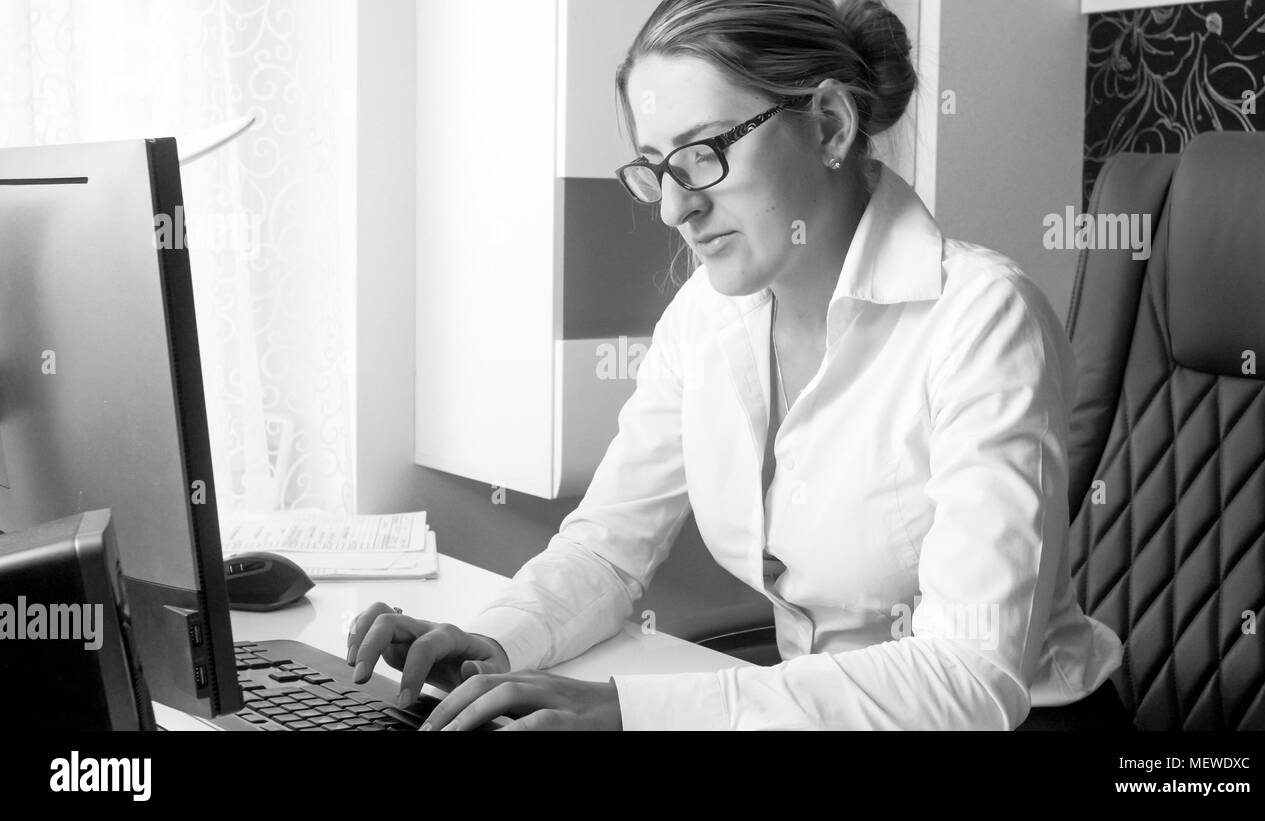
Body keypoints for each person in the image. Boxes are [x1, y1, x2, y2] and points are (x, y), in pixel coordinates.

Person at [347, 0, 1128, 731]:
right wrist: (497, 643)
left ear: (828, 125)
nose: (672, 206)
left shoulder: (982, 318)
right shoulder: (708, 314)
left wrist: (633, 712)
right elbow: (607, 549)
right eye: (656, 166)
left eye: (703, 154)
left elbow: (971, 676)